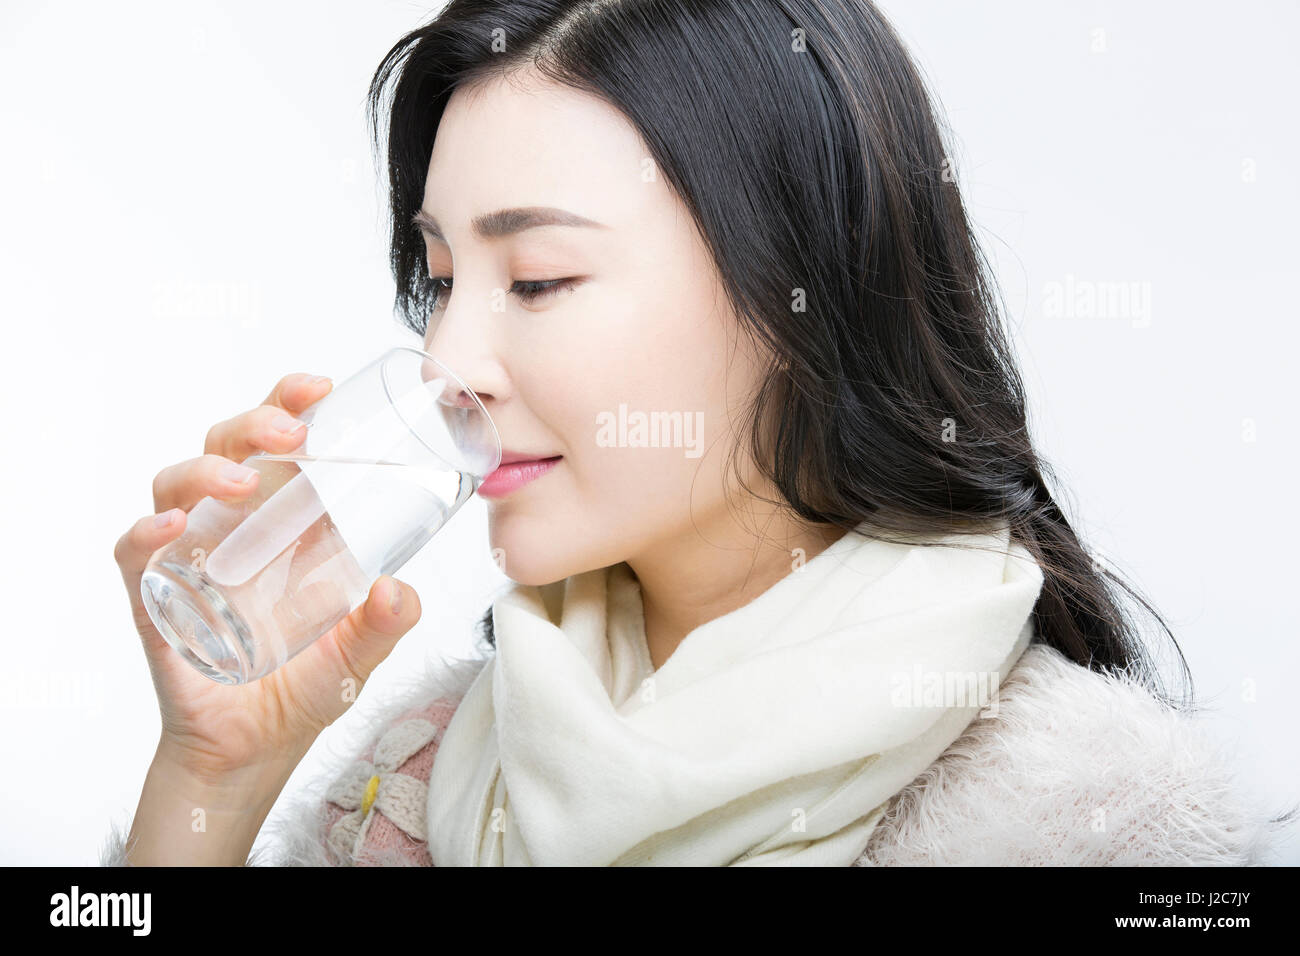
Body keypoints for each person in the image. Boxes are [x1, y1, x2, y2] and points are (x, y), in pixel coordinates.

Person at [103, 0, 1295, 866]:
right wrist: (214, 778)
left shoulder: (1083, 819)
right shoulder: (417, 772)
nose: (446, 363)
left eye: (539, 276)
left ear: (794, 292)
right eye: (442, 274)